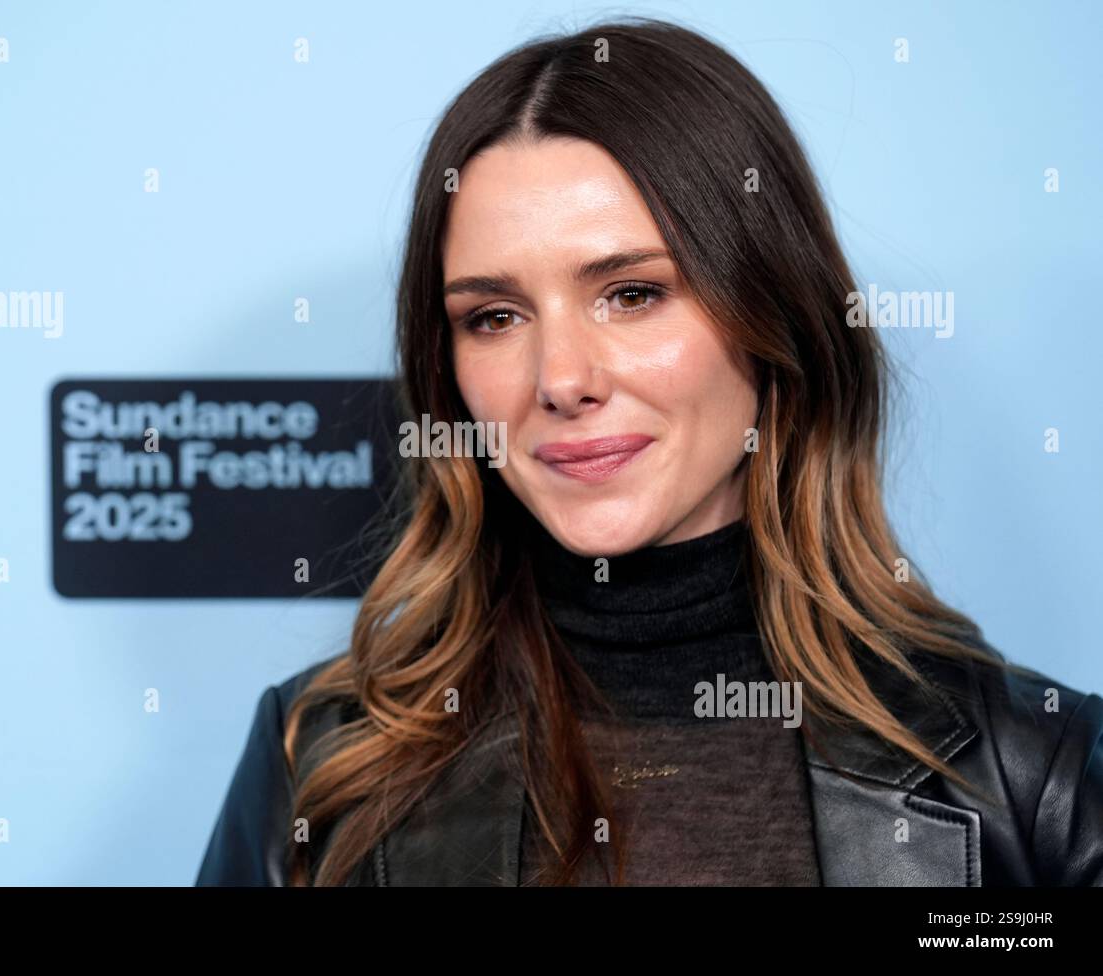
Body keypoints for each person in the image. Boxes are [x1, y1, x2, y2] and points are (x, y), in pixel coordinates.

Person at [196, 17, 1103, 886]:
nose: (560, 378)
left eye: (631, 294)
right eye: (495, 317)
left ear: (773, 315)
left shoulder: (1038, 778)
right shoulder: (318, 759)